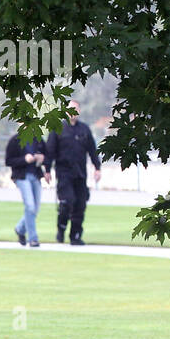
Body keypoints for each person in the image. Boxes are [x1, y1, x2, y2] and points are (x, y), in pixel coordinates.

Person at [44, 99, 102, 245]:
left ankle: (75, 236)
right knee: (67, 202)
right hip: (64, 174)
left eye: (75, 109)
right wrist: (47, 170)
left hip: (80, 174)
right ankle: (61, 229)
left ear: (79, 111)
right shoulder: (57, 128)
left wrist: (97, 168)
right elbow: (50, 151)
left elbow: (92, 151)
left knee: (80, 205)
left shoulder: (84, 130)